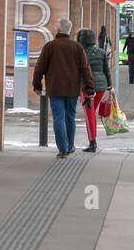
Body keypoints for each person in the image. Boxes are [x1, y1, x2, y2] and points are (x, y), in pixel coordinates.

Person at [33, 19, 94, 158]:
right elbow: (86, 69)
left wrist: (37, 85)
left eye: (56, 26)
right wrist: (90, 88)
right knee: (70, 116)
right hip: (73, 89)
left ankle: (63, 149)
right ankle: (70, 146)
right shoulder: (77, 47)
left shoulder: (50, 46)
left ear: (58, 29)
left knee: (59, 117)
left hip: (55, 89)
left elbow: (39, 67)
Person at [77, 27, 112, 152]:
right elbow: (106, 70)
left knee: (89, 115)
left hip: (87, 87)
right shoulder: (101, 52)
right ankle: (92, 140)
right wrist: (110, 86)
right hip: (101, 86)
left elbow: (80, 73)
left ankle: (93, 142)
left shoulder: (81, 53)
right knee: (91, 113)